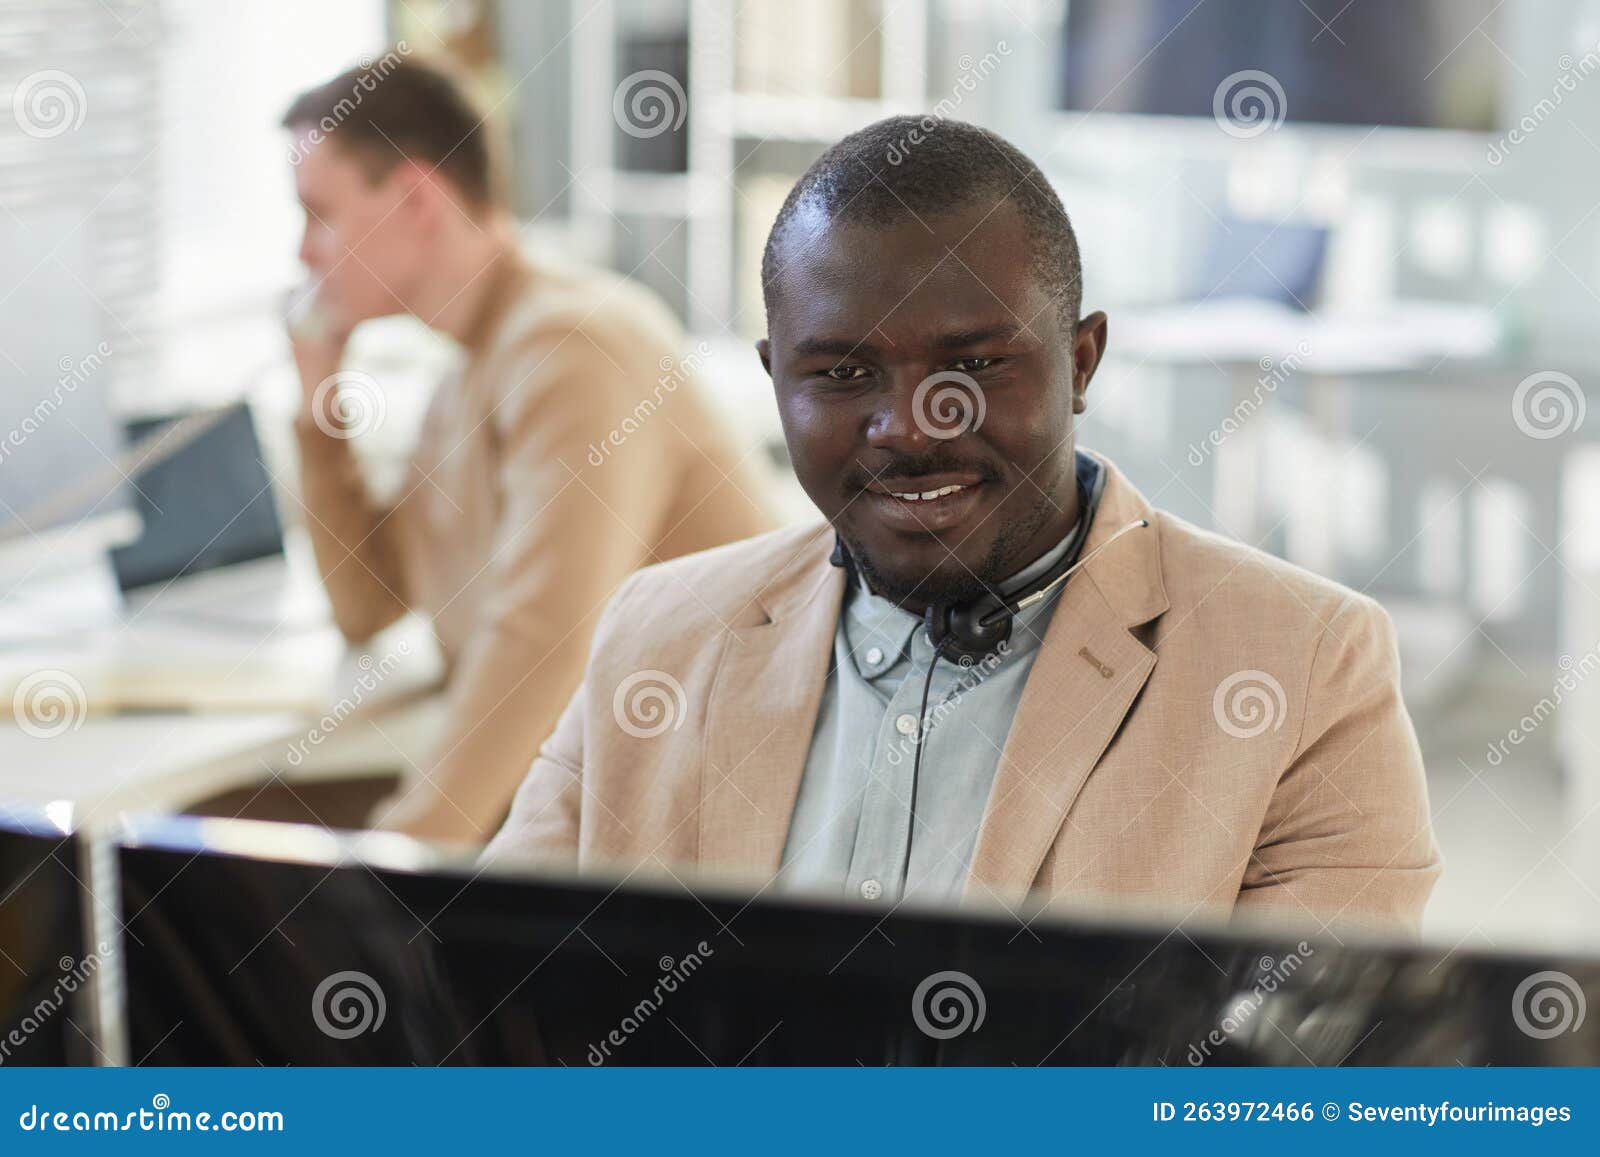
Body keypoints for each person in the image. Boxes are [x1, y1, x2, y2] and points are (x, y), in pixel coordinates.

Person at [483, 117, 1441, 935]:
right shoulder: (656, 631)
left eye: (975, 365)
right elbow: (496, 1011)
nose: (910, 426)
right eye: (843, 374)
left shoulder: (1304, 667)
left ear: (1082, 360)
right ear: (775, 376)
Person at [282, 56, 774, 842]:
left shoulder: (569, 345)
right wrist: (317, 400)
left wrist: (393, 864)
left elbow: (541, 643)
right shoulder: (468, 366)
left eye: (319, 214)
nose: (305, 253)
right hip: (598, 795)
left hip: (692, 826)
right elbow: (367, 606)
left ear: (415, 197)